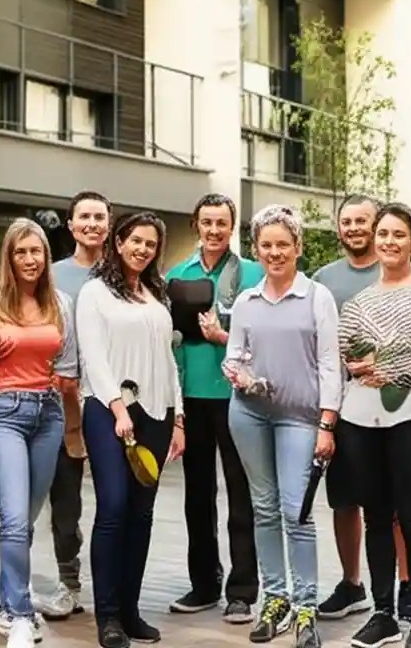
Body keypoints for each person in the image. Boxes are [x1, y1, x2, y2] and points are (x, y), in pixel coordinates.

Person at [336, 202, 411, 648]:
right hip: (360, 418)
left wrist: (399, 368)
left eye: (397, 235)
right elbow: (344, 353)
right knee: (375, 517)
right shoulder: (359, 302)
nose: (388, 241)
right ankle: (384, 614)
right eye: (382, 233)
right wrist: (358, 365)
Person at [223, 204, 341, 648]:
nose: (274, 253)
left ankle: (306, 605)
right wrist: (238, 373)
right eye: (266, 245)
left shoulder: (317, 298)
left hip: (300, 417)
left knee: (298, 511)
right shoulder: (246, 301)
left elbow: (331, 363)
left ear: (298, 247)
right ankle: (275, 598)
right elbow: (233, 355)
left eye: (282, 245)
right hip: (249, 413)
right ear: (257, 249)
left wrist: (327, 422)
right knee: (265, 509)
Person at [75, 211, 186, 648]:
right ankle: (107, 618)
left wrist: (177, 418)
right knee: (115, 506)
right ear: (118, 242)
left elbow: (167, 359)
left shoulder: (155, 293)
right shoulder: (94, 293)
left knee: (142, 512)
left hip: (156, 412)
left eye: (151, 244)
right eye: (135, 240)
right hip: (108, 410)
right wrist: (118, 408)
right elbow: (94, 357)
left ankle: (130, 611)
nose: (143, 249)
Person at [311, 194, 411, 623]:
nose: (354, 228)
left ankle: (406, 586)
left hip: (395, 408)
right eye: (347, 221)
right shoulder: (323, 279)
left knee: (393, 505)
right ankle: (352, 585)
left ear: (378, 225)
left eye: (362, 221)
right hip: (341, 407)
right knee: (345, 500)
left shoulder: (396, 271)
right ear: (339, 228)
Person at [164, 193, 262, 623]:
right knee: (197, 495)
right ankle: (204, 582)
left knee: (243, 496)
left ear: (232, 226)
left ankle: (242, 589)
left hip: (240, 398)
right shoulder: (175, 276)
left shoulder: (254, 275)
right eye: (207, 222)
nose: (215, 230)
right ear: (196, 225)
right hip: (194, 397)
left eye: (222, 223)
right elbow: (171, 344)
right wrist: (177, 404)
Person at [0, 218, 80, 646]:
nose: (29, 260)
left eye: (35, 251)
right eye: (20, 252)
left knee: (28, 517)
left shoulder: (60, 302)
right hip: (5, 412)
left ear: (46, 256)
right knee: (15, 518)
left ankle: (10, 601)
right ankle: (20, 614)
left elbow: (69, 366)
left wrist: (74, 427)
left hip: (49, 413)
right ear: (9, 257)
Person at [42, 190, 112, 618]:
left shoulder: (124, 273)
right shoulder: (49, 275)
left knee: (115, 497)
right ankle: (69, 582)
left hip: (113, 403)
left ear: (109, 224)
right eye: (84, 216)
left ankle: (115, 582)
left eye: (99, 217)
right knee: (65, 498)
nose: (92, 224)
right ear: (70, 225)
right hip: (60, 402)